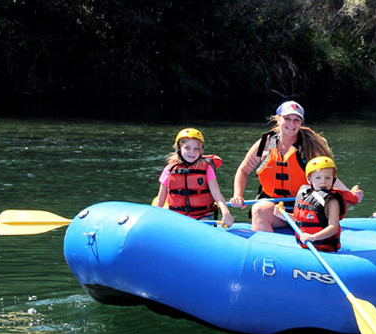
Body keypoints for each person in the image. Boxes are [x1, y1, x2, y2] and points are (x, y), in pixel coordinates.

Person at [229, 100, 363, 231]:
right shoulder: (264, 144)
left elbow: (328, 177)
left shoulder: (309, 147)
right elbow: (243, 171)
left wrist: (350, 195)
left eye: (296, 120)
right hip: (273, 206)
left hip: (305, 206)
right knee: (259, 209)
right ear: (278, 119)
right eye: (287, 118)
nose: (291, 124)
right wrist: (238, 195)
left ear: (301, 123)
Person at [155, 127, 234, 228]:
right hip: (177, 216)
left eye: (196, 149)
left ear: (201, 151)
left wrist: (226, 212)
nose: (192, 152)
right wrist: (154, 216)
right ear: (179, 148)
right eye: (187, 148)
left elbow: (217, 194)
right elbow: (161, 199)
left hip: (201, 216)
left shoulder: (207, 168)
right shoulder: (169, 169)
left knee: (204, 225)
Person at [274, 156, 346, 252]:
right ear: (309, 180)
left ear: (333, 179)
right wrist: (283, 215)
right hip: (307, 247)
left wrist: (313, 237)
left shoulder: (331, 201)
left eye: (328, 178)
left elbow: (333, 228)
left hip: (325, 250)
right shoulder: (306, 195)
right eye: (318, 178)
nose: (323, 181)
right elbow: (301, 221)